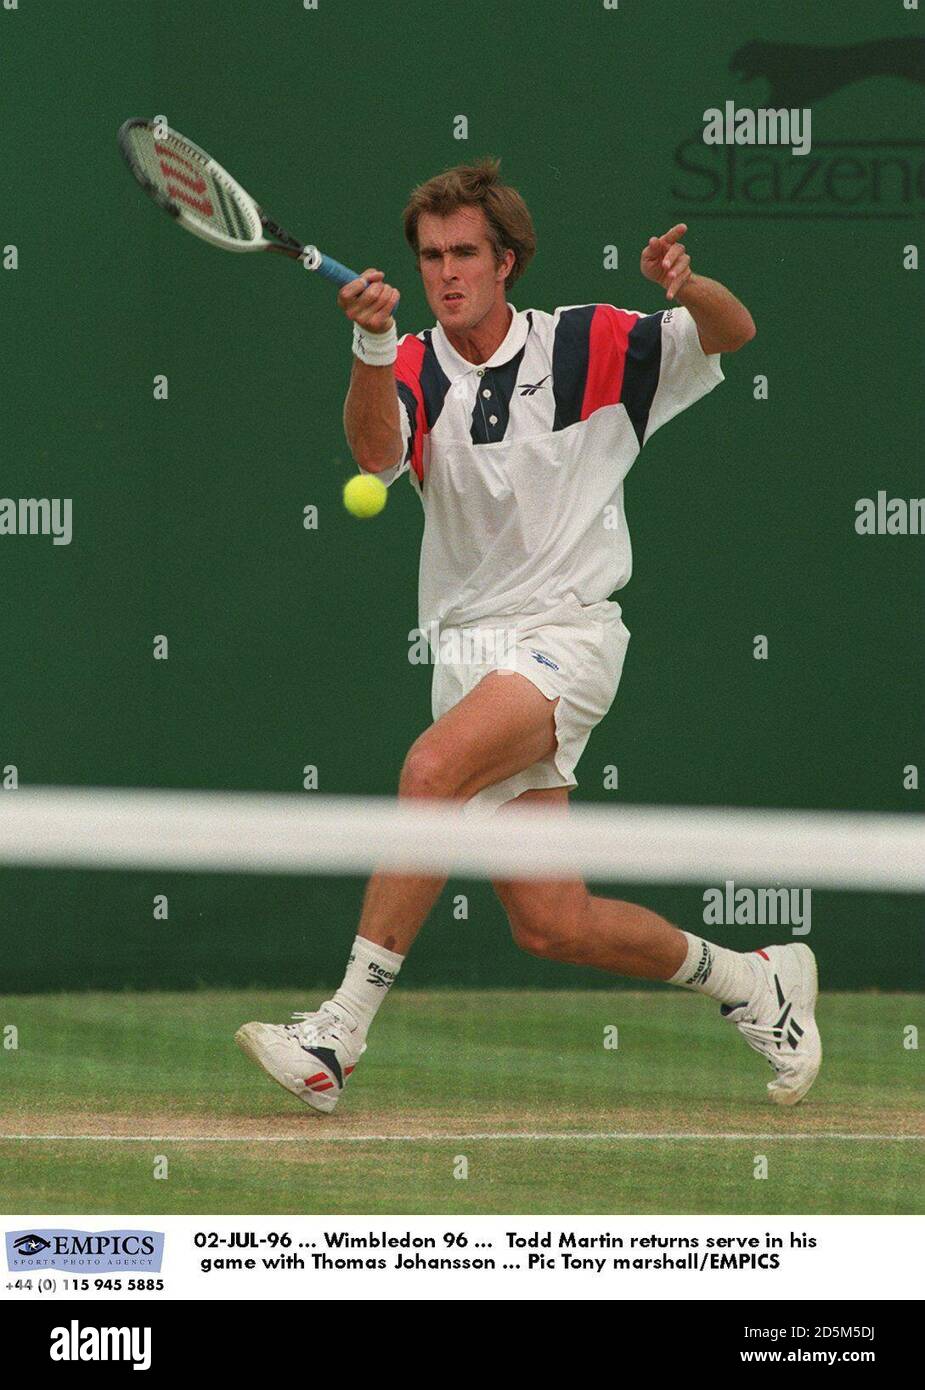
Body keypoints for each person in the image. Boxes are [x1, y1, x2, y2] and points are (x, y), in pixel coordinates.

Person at [236, 159, 820, 1113]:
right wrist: (374, 345)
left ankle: (338, 1032)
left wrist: (686, 288)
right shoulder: (414, 363)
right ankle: (754, 981)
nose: (445, 273)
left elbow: (733, 331)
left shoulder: (594, 342)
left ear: (507, 261)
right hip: (466, 650)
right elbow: (377, 458)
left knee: (429, 773)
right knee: (552, 923)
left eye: (464, 253)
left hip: (567, 635)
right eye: (430, 257)